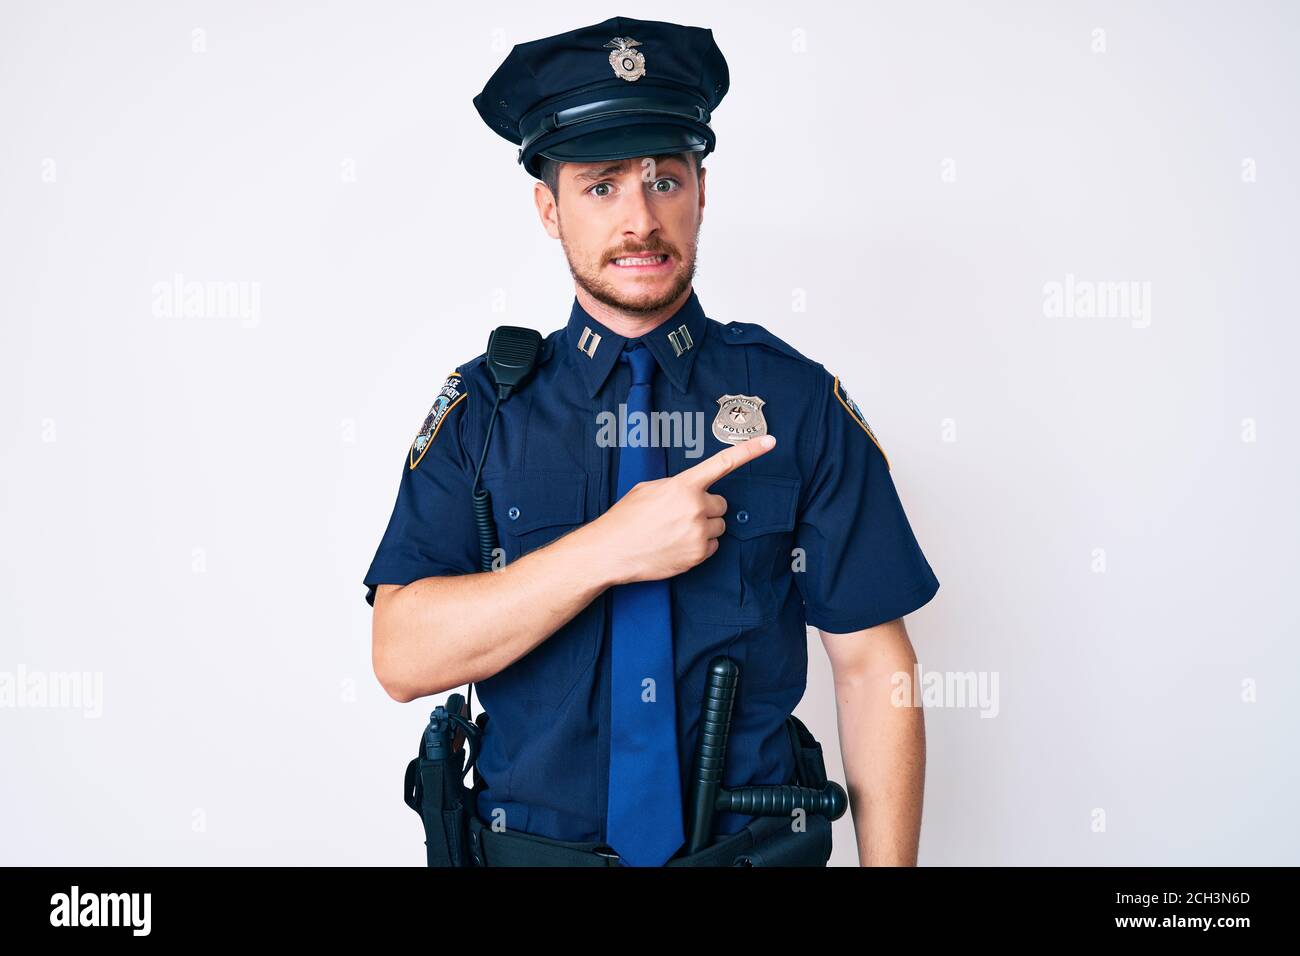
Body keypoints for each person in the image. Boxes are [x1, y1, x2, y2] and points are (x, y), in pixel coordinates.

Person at [364, 15, 940, 867]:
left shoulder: (793, 398)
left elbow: (871, 666)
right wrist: (606, 549)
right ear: (548, 209)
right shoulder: (484, 409)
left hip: (745, 853)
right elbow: (401, 655)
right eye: (600, 187)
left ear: (702, 192)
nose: (640, 219)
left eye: (664, 180)